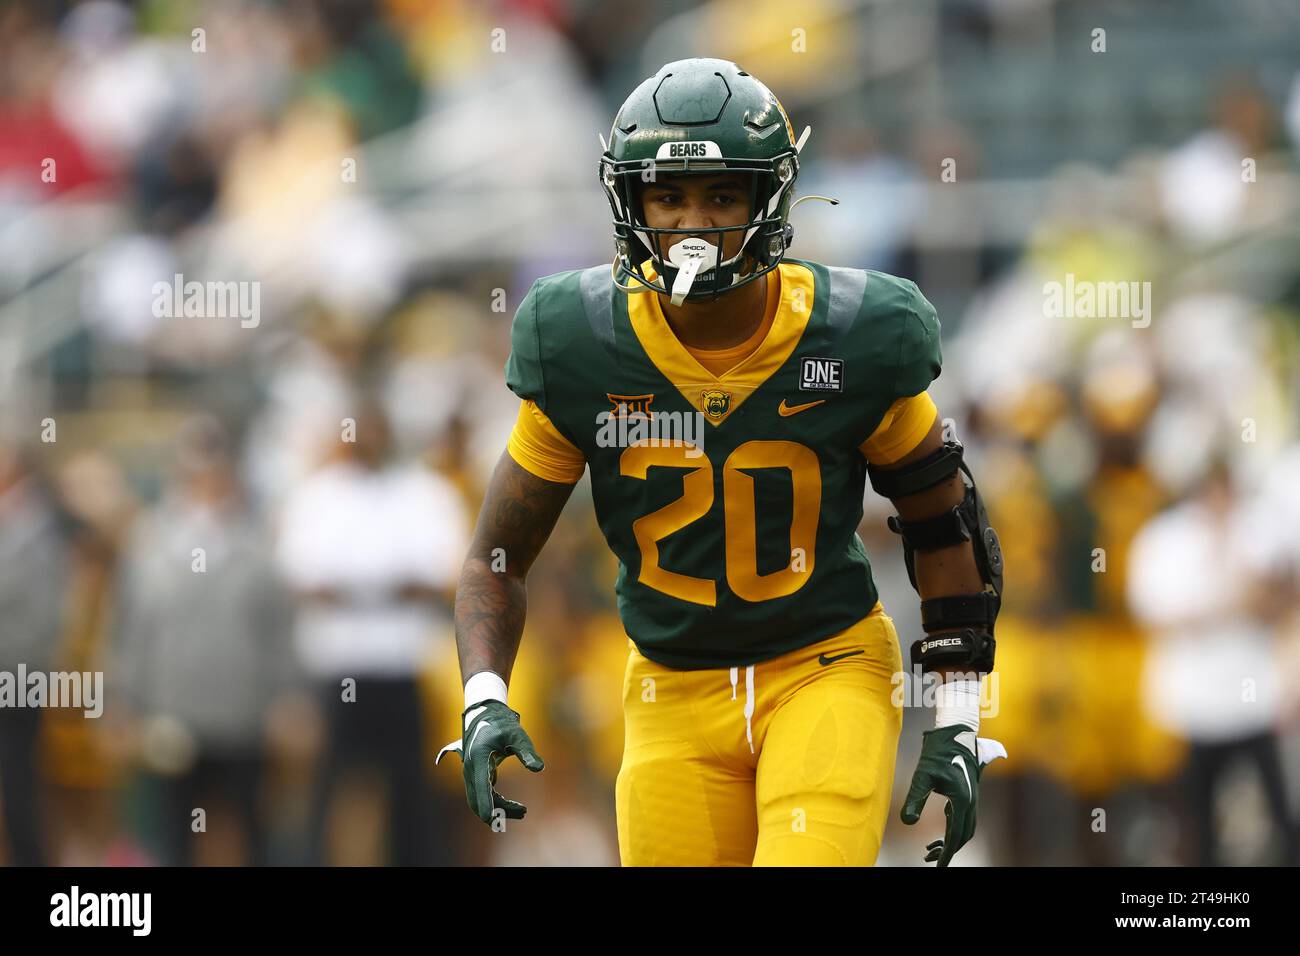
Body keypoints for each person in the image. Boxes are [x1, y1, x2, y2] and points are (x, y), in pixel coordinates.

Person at [439, 58, 1006, 866]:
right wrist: (483, 696)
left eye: (720, 196)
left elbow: (944, 523)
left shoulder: (854, 333)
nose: (692, 223)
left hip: (826, 667)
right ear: (631, 201)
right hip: (670, 689)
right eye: (668, 197)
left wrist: (956, 713)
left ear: (767, 201)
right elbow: (495, 559)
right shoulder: (583, 342)